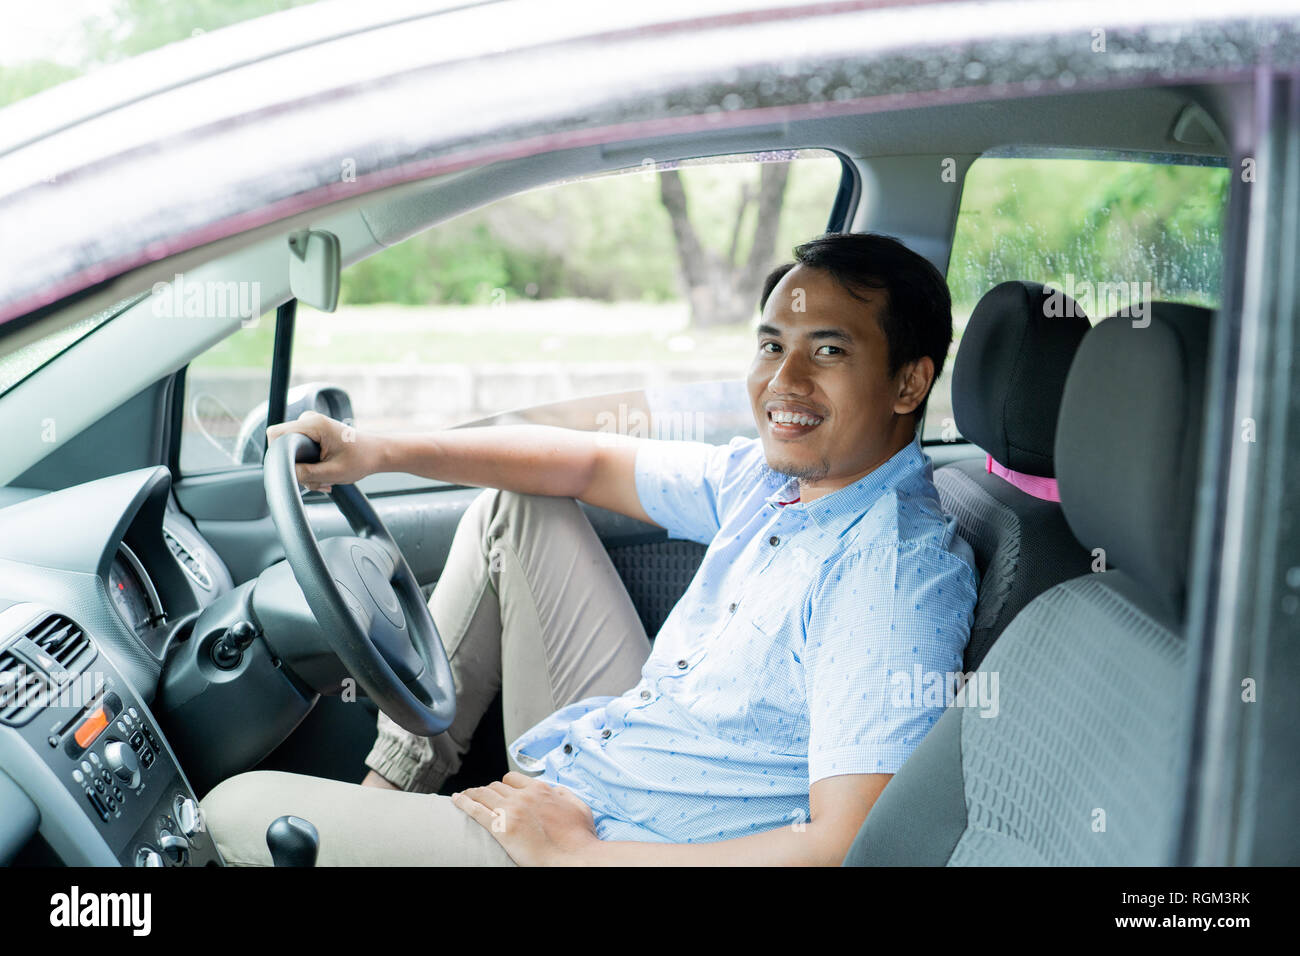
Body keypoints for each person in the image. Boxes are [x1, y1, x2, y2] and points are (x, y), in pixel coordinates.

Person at [199, 231, 978, 866]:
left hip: (619, 847)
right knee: (519, 508)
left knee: (232, 814)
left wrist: (575, 856)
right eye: (772, 346)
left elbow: (851, 848)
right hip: (615, 756)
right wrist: (375, 449)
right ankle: (383, 801)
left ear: (909, 386)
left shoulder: (892, 573)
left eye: (829, 352)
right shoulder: (774, 483)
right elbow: (587, 460)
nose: (785, 380)